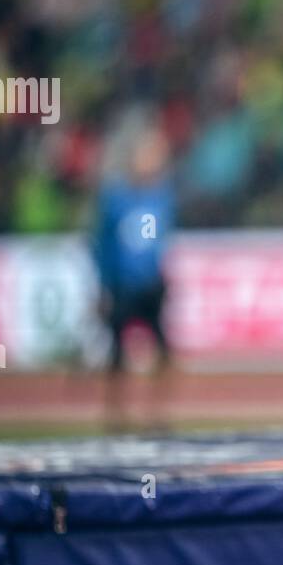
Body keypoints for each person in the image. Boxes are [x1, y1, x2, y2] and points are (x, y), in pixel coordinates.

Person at [91, 126, 176, 432]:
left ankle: (156, 415)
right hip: (122, 285)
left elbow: (159, 243)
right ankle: (115, 415)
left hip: (150, 284)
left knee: (164, 351)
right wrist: (103, 285)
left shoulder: (162, 197)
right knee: (116, 354)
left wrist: (163, 275)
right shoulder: (116, 199)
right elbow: (101, 244)